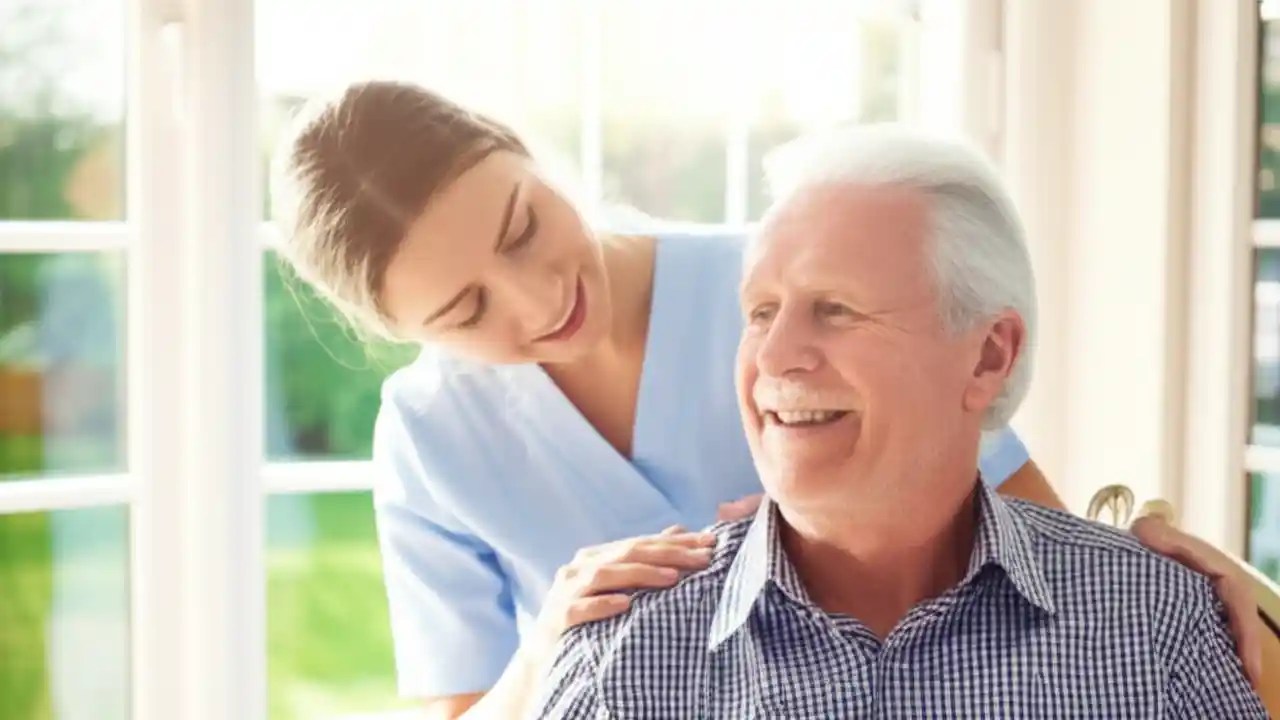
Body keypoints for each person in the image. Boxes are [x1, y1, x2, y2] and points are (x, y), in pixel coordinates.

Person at [270, 80, 1263, 719]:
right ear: (403, 334)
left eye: (523, 226)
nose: (537, 297)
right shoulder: (432, 440)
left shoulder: (779, 286)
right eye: (465, 307)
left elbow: (1034, 546)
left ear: (521, 148)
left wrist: (1183, 586)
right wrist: (549, 645)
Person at [534, 126, 1268, 719]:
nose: (776, 357)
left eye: (837, 310)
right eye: (761, 313)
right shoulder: (622, 656)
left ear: (987, 356)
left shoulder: (1156, 626)